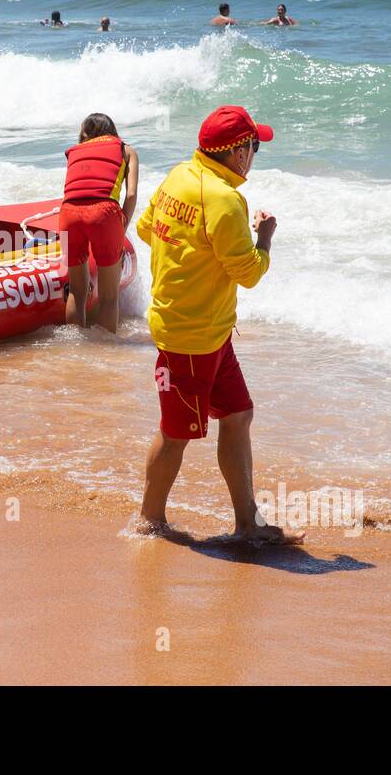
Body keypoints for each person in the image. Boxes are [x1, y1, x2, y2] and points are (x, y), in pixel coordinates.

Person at [134, 105, 303, 545]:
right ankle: (148, 523)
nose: (254, 154)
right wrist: (264, 238)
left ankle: (248, 524)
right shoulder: (226, 200)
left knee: (239, 414)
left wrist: (189, 256)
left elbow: (148, 230)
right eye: (254, 146)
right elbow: (247, 272)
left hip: (207, 329)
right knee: (175, 435)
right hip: (191, 335)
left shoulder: (179, 176)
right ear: (237, 153)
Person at [61, 113, 139, 334]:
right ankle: (104, 351)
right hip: (103, 213)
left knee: (76, 290)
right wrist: (120, 230)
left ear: (84, 134)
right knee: (109, 295)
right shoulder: (126, 150)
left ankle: (74, 346)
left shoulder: (76, 151)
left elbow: (77, 189)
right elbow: (131, 195)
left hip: (68, 213)